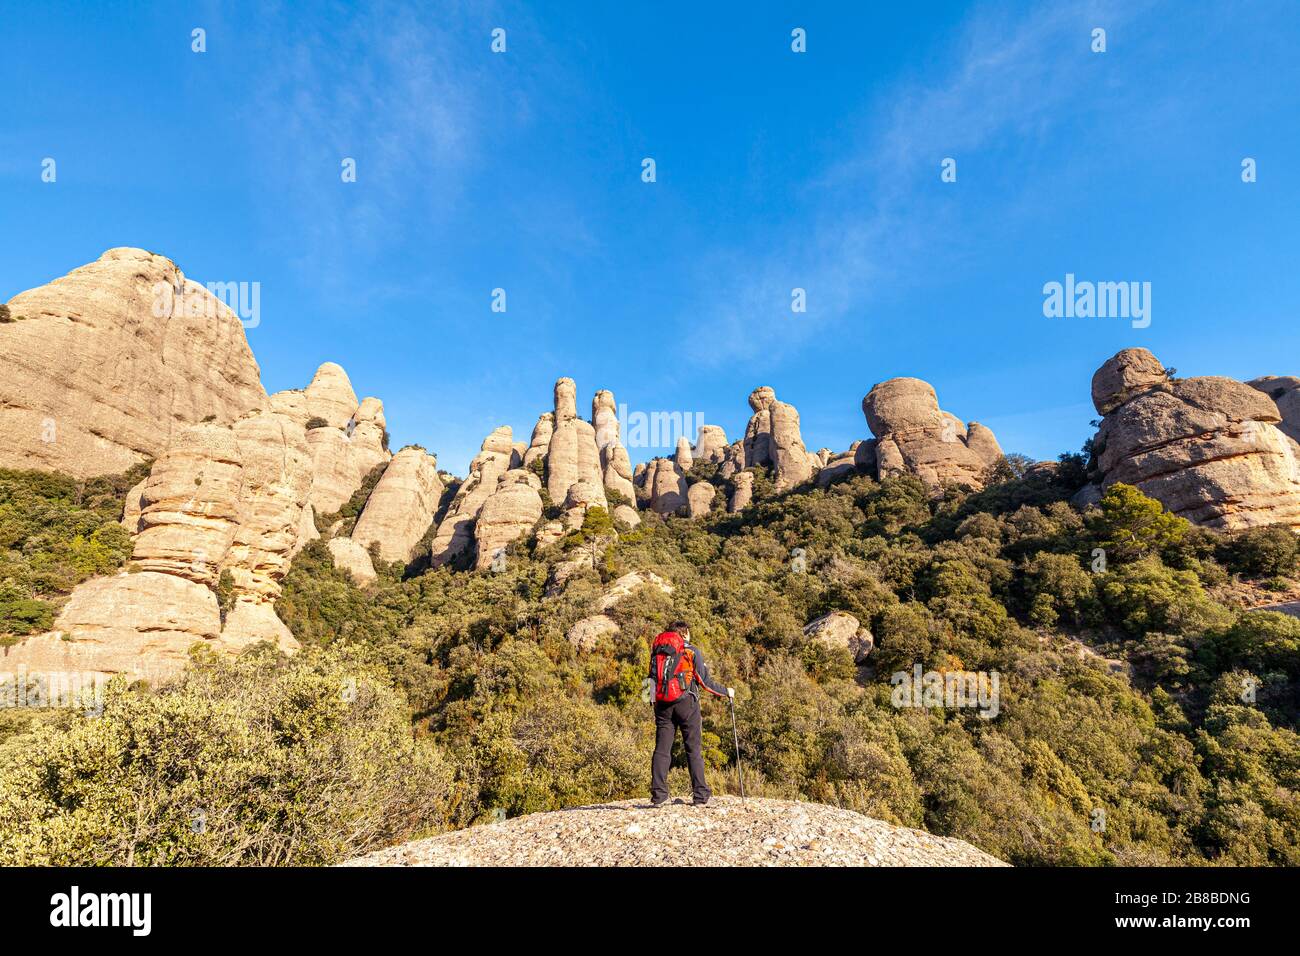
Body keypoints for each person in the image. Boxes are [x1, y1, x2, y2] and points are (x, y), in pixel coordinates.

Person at [648, 620, 733, 807]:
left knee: (662, 750)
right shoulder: (691, 650)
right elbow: (704, 681)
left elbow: (650, 680)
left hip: (662, 705)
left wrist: (652, 702)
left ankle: (658, 796)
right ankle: (701, 795)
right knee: (693, 749)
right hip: (687, 704)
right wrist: (727, 691)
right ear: (685, 633)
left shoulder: (658, 650)